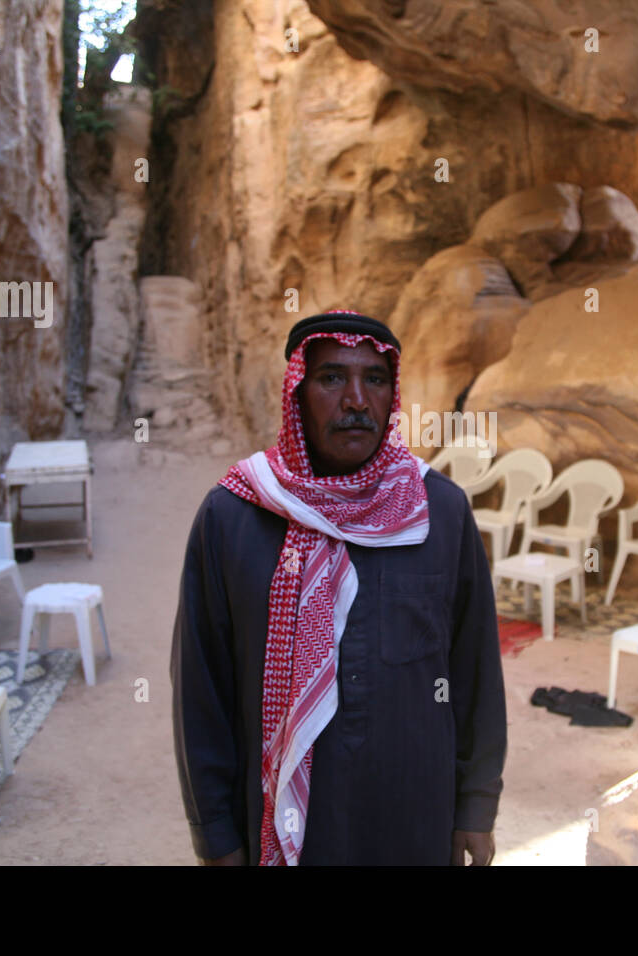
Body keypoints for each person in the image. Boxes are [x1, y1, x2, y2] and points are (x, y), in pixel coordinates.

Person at [170, 309, 507, 865]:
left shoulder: (438, 511)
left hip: (414, 816)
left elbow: (474, 671)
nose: (356, 400)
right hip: (281, 825)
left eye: (374, 379)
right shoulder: (232, 514)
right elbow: (201, 686)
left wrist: (475, 806)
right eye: (331, 379)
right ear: (298, 394)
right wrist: (214, 832)